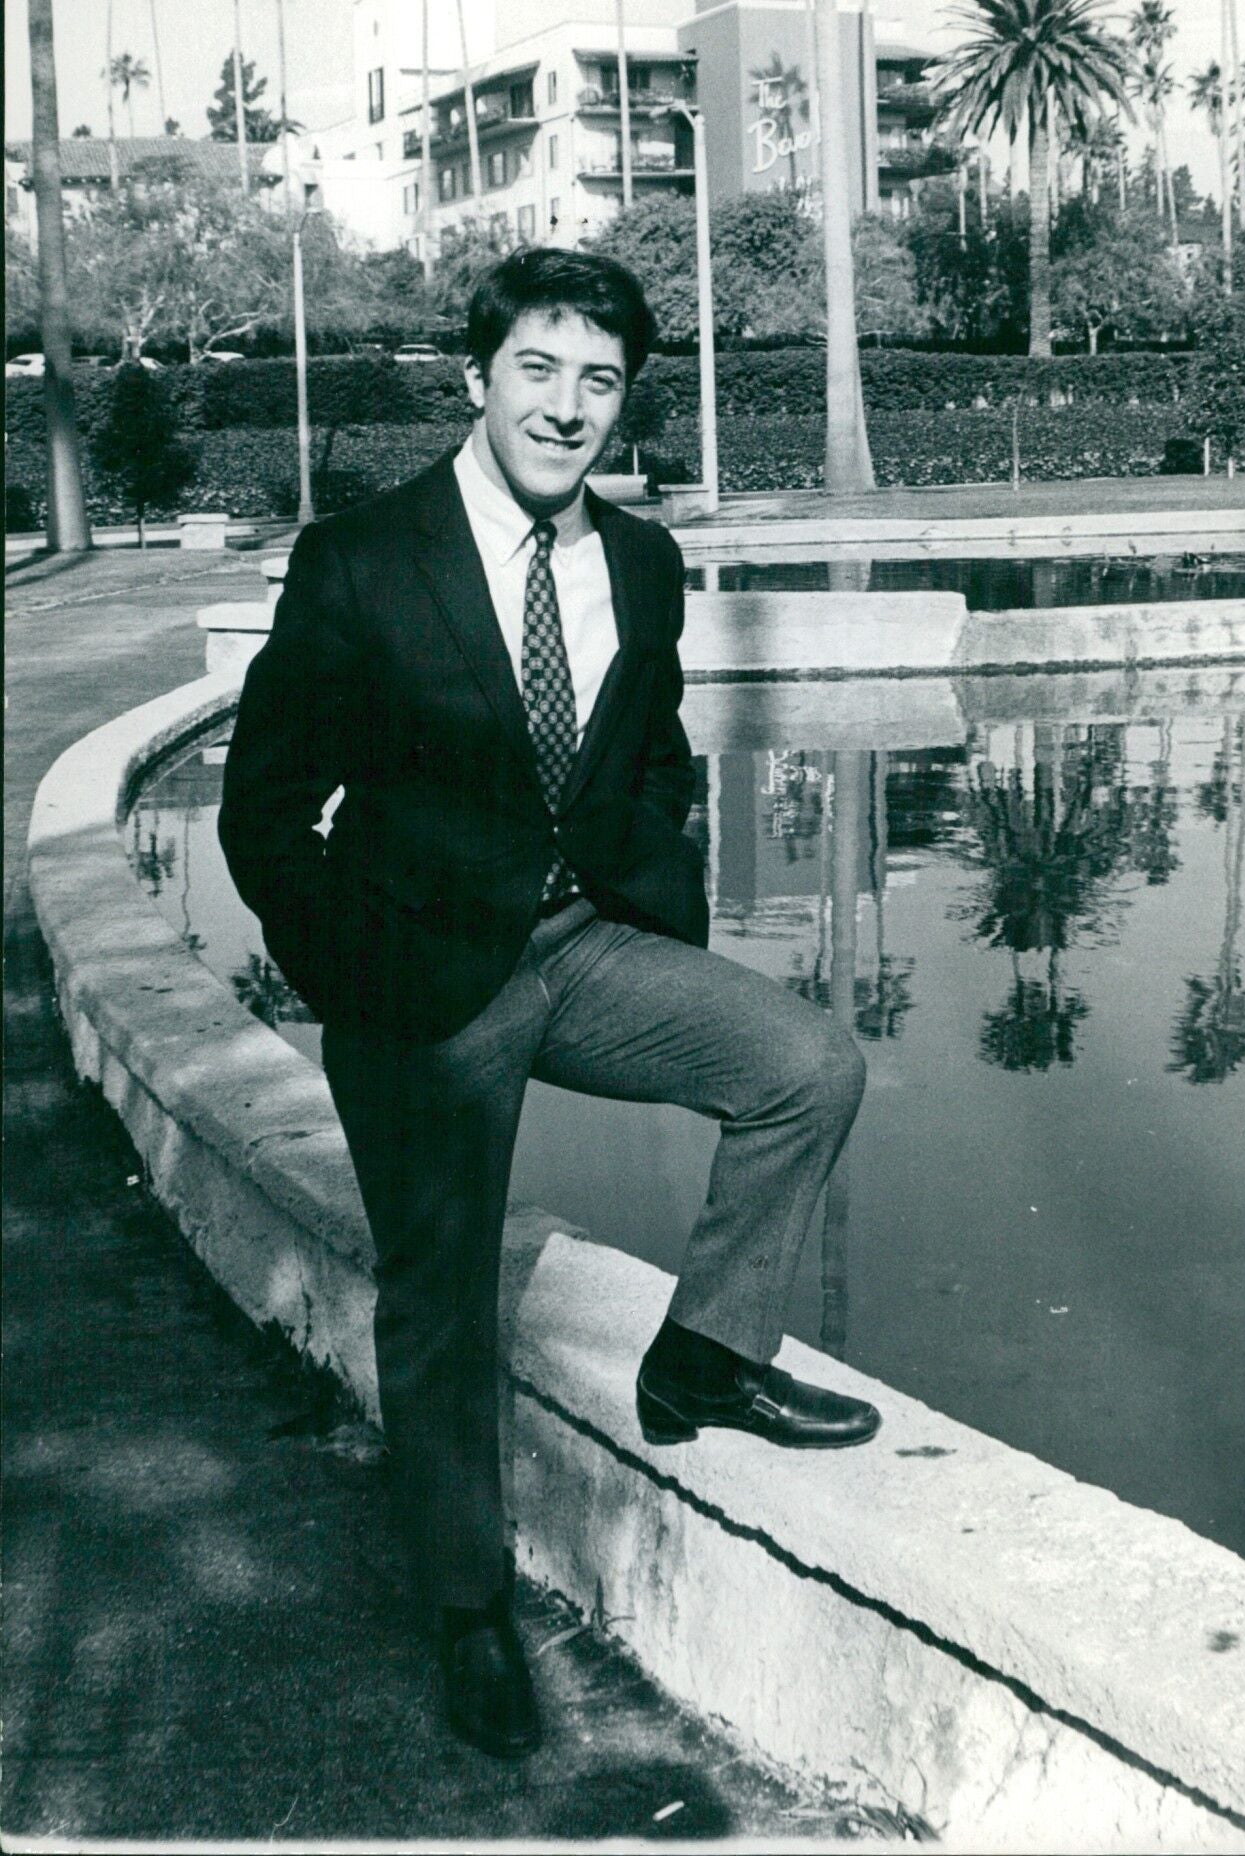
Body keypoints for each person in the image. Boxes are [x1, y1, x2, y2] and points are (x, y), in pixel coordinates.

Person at [218, 247, 877, 1760]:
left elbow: (651, 752)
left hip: (581, 945)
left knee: (808, 1066)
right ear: (477, 376)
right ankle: (467, 1610)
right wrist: (362, 983)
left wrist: (665, 905)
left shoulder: (641, 560)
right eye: (539, 370)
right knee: (443, 1302)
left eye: (599, 381)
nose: (568, 408)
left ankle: (704, 1354)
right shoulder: (363, 560)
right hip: (418, 984)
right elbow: (265, 817)